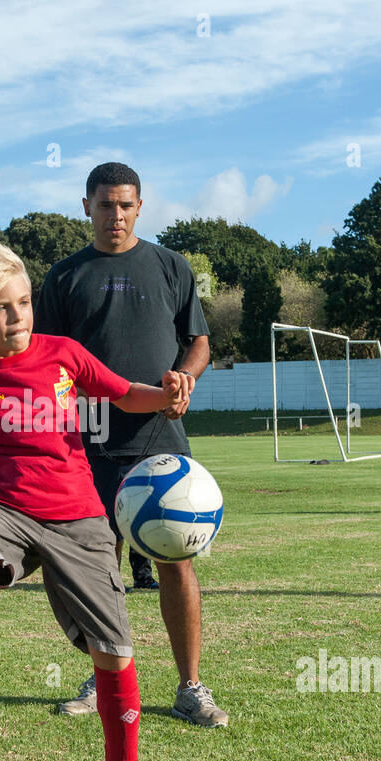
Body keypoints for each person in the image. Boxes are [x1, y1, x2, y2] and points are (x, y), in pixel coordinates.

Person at [0, 230, 190, 761]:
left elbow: (123, 394)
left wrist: (166, 395)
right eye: (1, 307)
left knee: (114, 655)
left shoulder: (63, 354)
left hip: (80, 518)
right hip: (4, 508)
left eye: (24, 302)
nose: (17, 316)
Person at [35, 161, 228, 728]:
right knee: (99, 565)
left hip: (159, 438)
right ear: (86, 206)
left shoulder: (171, 266)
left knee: (177, 559)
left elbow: (199, 342)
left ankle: (190, 687)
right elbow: (44, 358)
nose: (114, 215)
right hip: (86, 439)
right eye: (104, 204)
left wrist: (185, 377)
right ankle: (104, 682)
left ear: (140, 206)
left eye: (125, 205)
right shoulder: (64, 277)